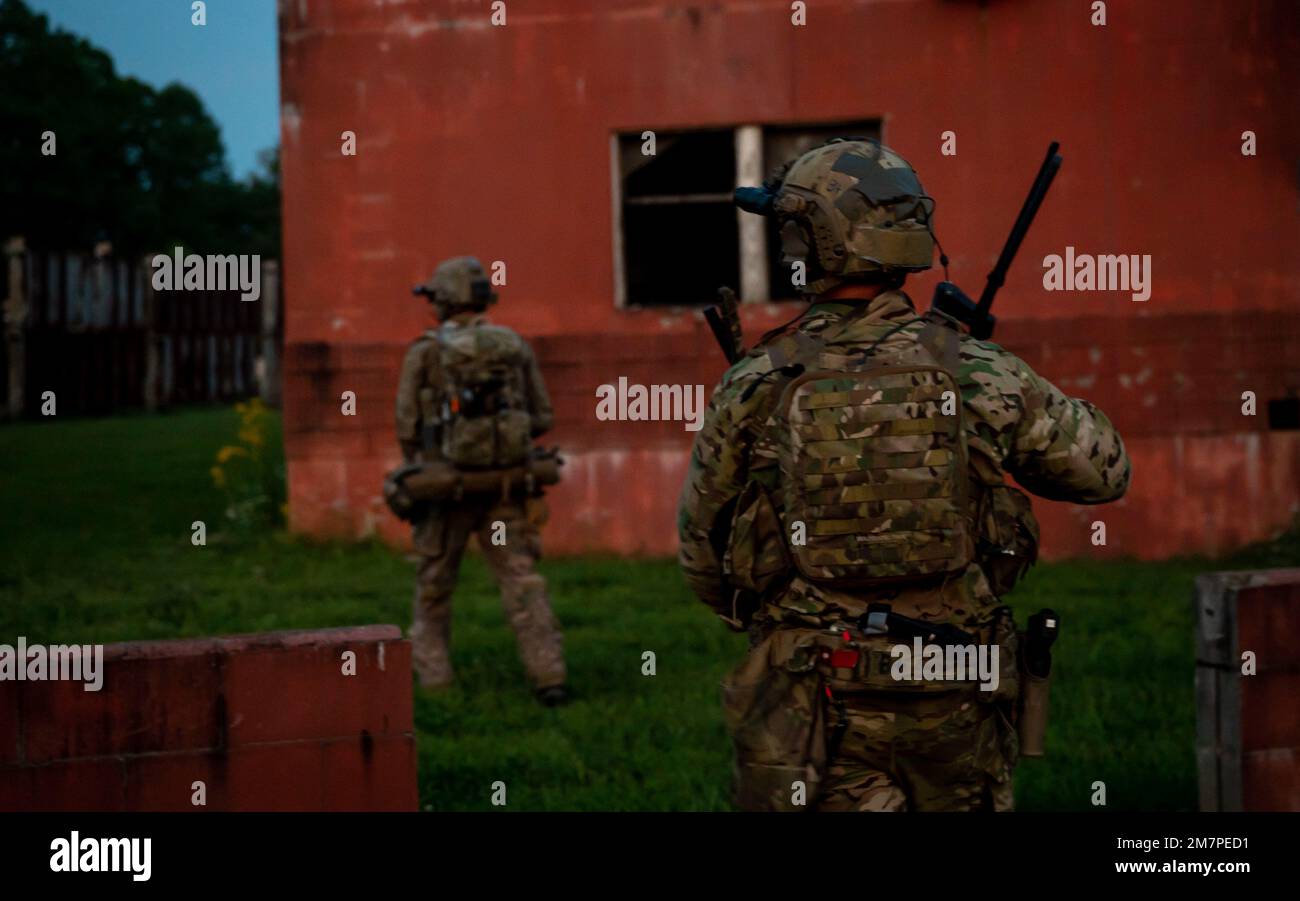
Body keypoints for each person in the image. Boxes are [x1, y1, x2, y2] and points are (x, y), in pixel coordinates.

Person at [677, 139, 1130, 810]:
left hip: (813, 694)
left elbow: (703, 556)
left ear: (815, 243)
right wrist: (987, 370)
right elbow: (1104, 471)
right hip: (953, 688)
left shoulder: (759, 380)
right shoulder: (973, 366)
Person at [395, 256, 569, 706]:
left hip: (445, 489)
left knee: (434, 586)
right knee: (522, 581)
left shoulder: (424, 352)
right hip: (506, 488)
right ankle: (549, 677)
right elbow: (541, 416)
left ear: (444, 300)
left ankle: (436, 684)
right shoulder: (513, 345)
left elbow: (407, 427)